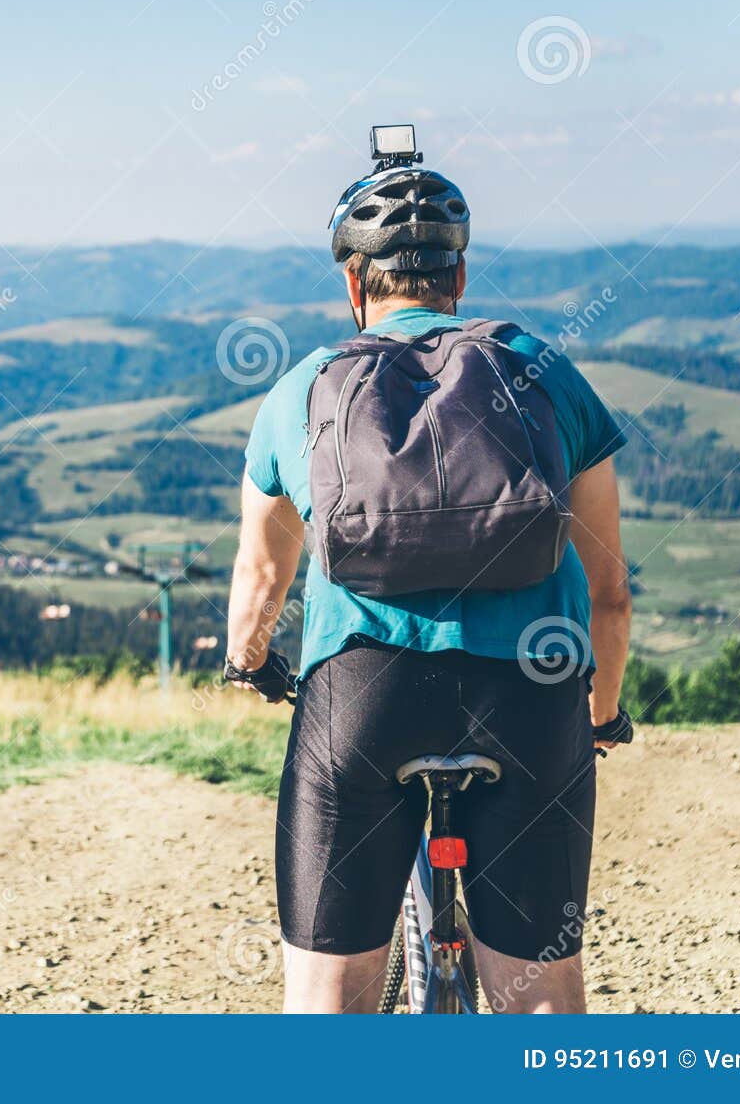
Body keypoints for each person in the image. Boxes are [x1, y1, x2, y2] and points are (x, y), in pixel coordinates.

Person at [224, 149, 632, 1014]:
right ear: (460, 274)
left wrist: (251, 662)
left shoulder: (301, 390)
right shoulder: (544, 373)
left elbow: (263, 575)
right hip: (532, 694)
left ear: (353, 285)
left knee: (326, 1003)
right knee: (543, 999)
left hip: (362, 700)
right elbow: (610, 590)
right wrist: (601, 715)